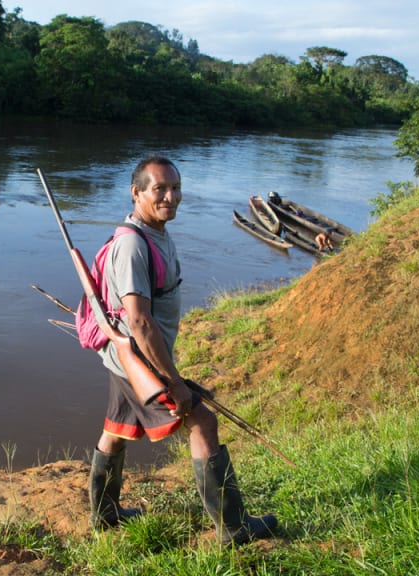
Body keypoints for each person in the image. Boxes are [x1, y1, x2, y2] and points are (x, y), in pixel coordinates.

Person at [88, 155, 278, 545]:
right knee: (203, 421)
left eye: (175, 188)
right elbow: (139, 322)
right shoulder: (132, 246)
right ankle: (233, 528)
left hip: (125, 356)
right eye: (160, 189)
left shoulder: (154, 232)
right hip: (137, 359)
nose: (171, 197)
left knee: (118, 426)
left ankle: (105, 515)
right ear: (136, 192)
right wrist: (174, 382)